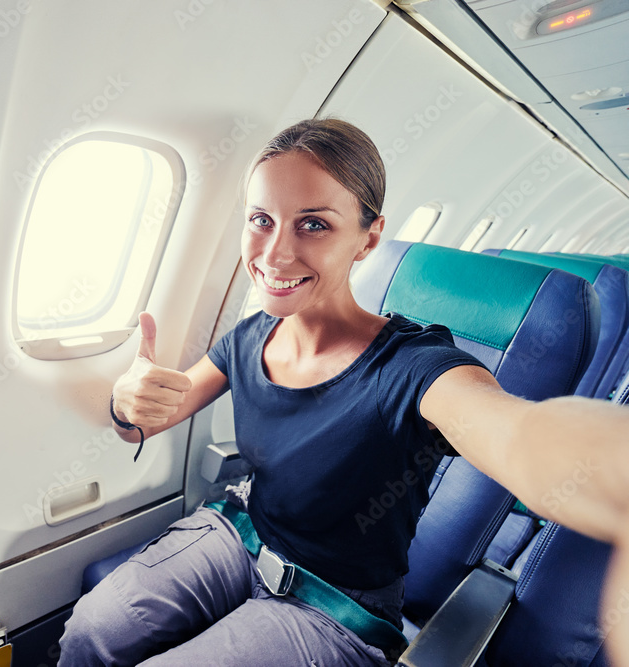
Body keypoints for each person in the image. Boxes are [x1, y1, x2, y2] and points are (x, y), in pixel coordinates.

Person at [57, 118, 629, 666]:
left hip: (334, 606)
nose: (276, 253)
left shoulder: (412, 365)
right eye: (261, 219)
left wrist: (609, 465)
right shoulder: (249, 336)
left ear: (368, 237)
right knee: (92, 629)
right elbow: (147, 419)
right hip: (241, 534)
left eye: (313, 224)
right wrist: (126, 400)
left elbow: (517, 435)